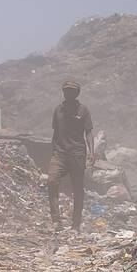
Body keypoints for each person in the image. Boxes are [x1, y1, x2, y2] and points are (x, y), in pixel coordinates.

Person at [49, 80, 95, 232]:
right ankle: (56, 220)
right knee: (52, 181)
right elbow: (55, 132)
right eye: (67, 91)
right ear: (63, 92)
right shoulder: (58, 110)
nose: (69, 94)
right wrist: (53, 151)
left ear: (77, 94)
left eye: (72, 91)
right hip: (60, 153)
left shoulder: (83, 111)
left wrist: (92, 152)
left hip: (77, 154)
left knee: (77, 189)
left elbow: (88, 132)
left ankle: (75, 225)